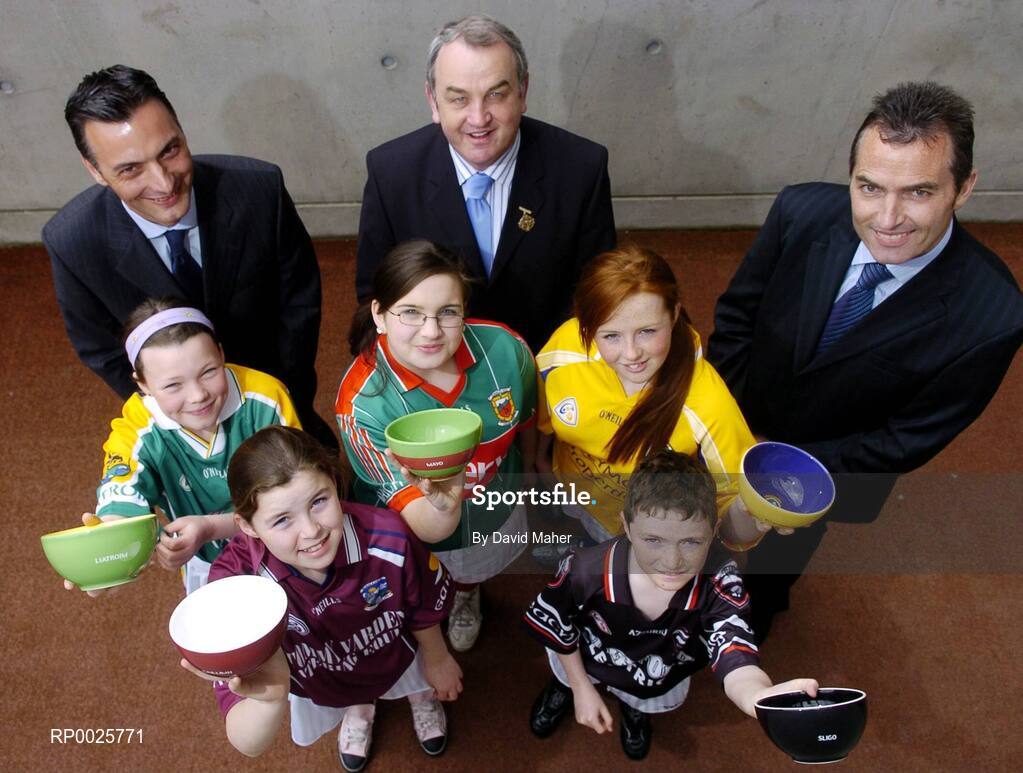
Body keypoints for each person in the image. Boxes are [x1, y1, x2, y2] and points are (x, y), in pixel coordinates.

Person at [707, 81, 1023, 639]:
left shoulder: (993, 316)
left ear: (964, 187)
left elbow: (908, 438)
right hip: (729, 430)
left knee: (772, 577)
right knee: (694, 535)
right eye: (869, 187)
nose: (888, 217)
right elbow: (736, 321)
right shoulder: (800, 210)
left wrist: (787, 478)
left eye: (919, 193)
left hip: (825, 478)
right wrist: (727, 428)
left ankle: (757, 612)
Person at [42, 64, 337, 449]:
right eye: (131, 169)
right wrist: (175, 412)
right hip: (183, 433)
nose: (164, 183)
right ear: (95, 170)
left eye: (170, 150)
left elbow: (298, 307)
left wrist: (273, 403)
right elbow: (102, 351)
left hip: (278, 405)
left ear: (182, 131)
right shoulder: (73, 241)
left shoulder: (260, 189)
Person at [183, 426, 460, 773]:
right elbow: (246, 743)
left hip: (397, 656)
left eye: (319, 502)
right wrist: (270, 699)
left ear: (334, 481)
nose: (312, 531)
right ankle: (359, 708)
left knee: (416, 681)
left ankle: (420, 696)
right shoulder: (234, 587)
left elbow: (423, 605)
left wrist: (436, 658)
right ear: (248, 526)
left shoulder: (389, 536)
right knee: (353, 700)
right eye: (282, 519)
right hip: (323, 681)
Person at [523, 450, 819, 761]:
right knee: (569, 678)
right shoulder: (583, 570)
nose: (672, 562)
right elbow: (559, 627)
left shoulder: (719, 582)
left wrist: (757, 695)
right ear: (626, 525)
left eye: (691, 542)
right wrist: (580, 686)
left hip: (657, 676)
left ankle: (635, 709)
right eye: (653, 540)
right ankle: (565, 689)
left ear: (714, 530)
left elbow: (735, 651)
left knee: (639, 698)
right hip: (587, 662)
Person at [356, 14, 616, 352]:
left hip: (547, 374)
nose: (479, 119)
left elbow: (599, 296)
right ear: (433, 101)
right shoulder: (391, 173)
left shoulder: (581, 168)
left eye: (495, 95)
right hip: (433, 375)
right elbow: (374, 299)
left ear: (523, 92)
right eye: (459, 98)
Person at [337, 239, 536, 652]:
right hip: (413, 526)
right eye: (410, 312)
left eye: (447, 312)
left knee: (471, 571)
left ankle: (466, 592)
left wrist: (532, 475)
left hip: (492, 507)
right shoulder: (362, 406)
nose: (431, 332)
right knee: (416, 582)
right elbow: (428, 524)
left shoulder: (507, 351)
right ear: (379, 314)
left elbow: (528, 423)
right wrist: (445, 503)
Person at [535, 245, 766, 550]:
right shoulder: (567, 345)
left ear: (674, 315)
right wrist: (539, 461)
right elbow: (543, 411)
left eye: (646, 331)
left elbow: (732, 521)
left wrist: (755, 516)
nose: (631, 354)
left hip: (642, 533)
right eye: (611, 336)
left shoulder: (710, 406)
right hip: (575, 490)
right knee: (585, 536)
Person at [67, 297, 299, 595]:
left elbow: (294, 500)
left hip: (290, 542)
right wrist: (107, 555)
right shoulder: (137, 427)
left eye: (209, 372)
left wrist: (211, 528)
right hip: (207, 560)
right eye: (173, 385)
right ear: (143, 385)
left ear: (221, 353)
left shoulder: (267, 397)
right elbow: (122, 499)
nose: (197, 395)